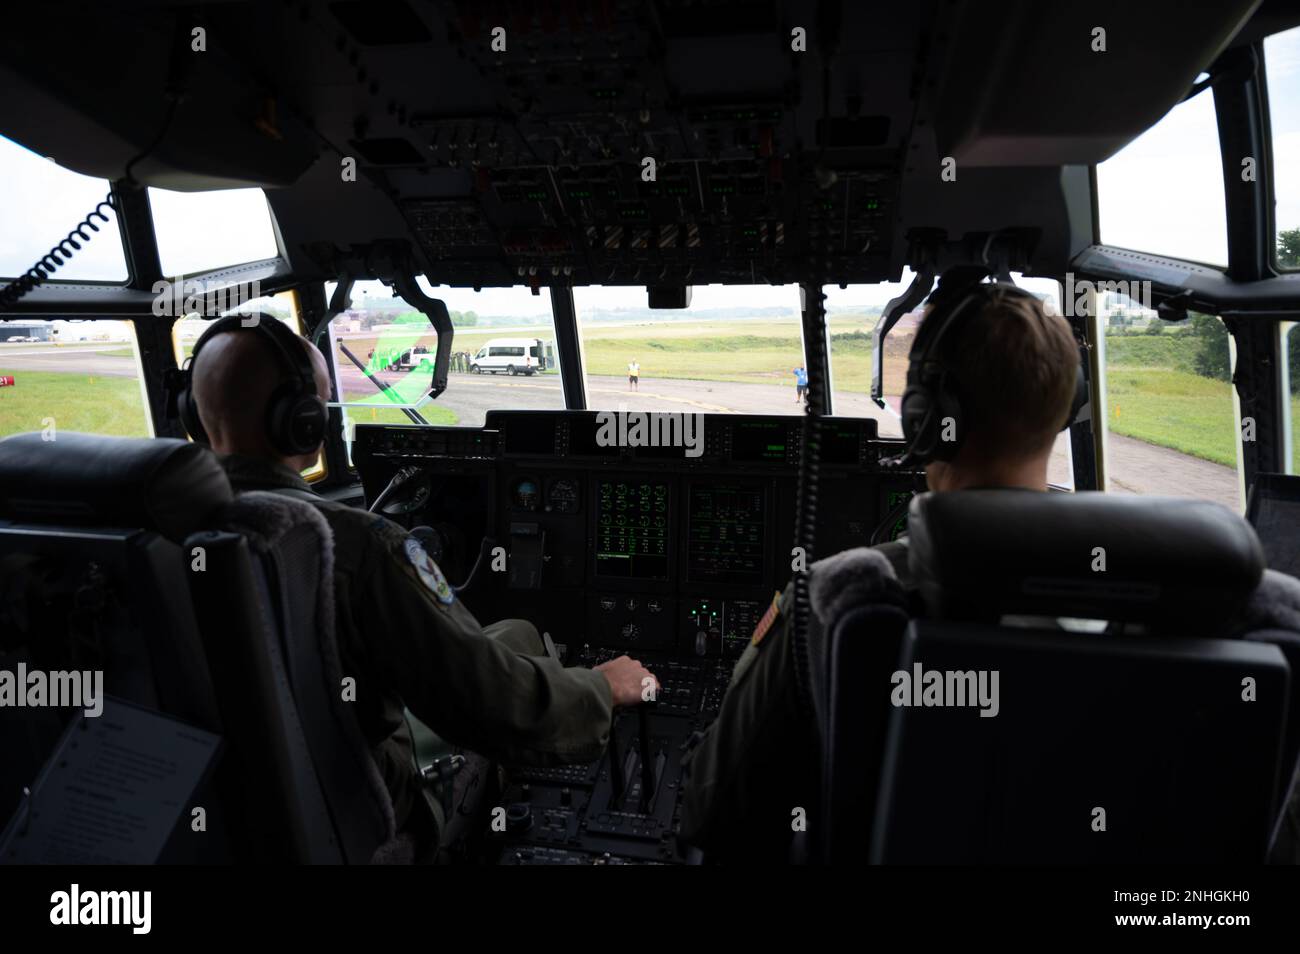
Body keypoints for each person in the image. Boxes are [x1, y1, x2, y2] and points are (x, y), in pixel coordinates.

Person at [188, 319, 658, 859]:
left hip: (236, 796)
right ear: (302, 423)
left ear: (196, 416)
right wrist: (602, 688)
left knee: (516, 634)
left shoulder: (159, 530)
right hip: (366, 805)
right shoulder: (357, 546)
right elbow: (493, 705)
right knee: (504, 693)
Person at [678, 279, 1081, 862]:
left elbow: (710, 810)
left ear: (925, 416)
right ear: (1066, 406)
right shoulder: (1172, 600)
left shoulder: (840, 601)